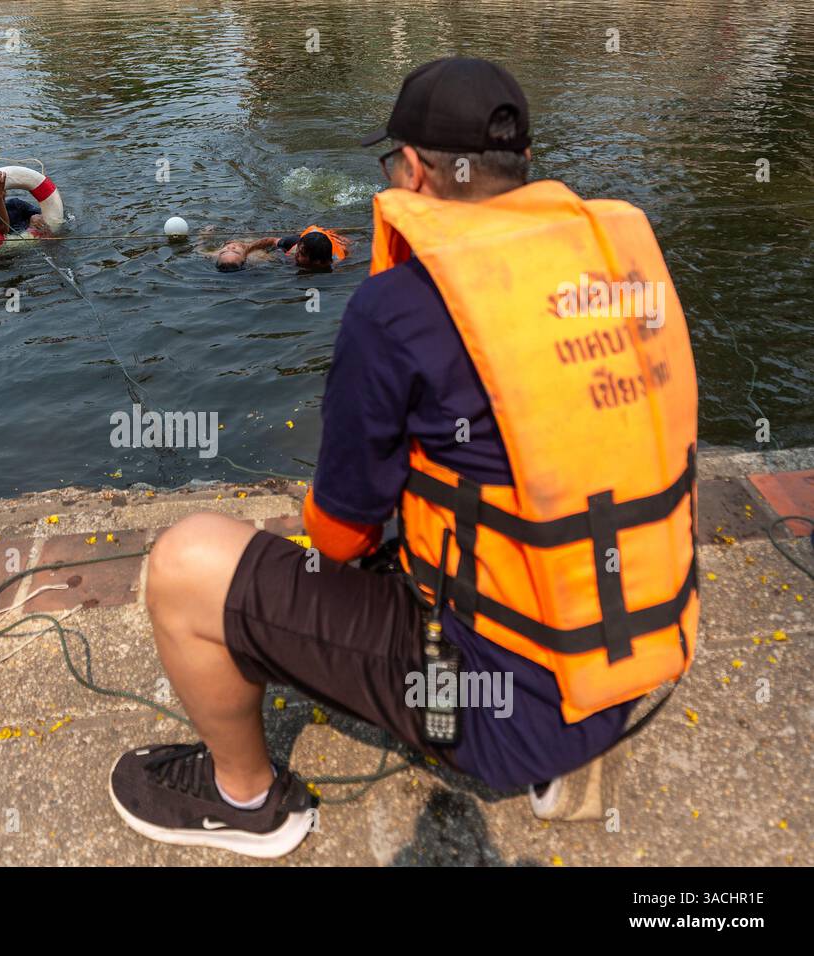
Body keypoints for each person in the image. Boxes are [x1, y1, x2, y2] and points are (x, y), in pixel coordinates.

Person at [108, 57, 699, 858]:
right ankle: (575, 753)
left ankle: (244, 802)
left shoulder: (396, 309)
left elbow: (344, 536)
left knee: (185, 565)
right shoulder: (620, 266)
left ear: (415, 172)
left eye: (392, 162)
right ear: (523, 164)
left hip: (498, 706)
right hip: (623, 666)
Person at [208, 226, 349, 272]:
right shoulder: (294, 245)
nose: (296, 255)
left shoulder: (338, 262)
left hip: (330, 240)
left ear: (318, 262)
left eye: (301, 254)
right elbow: (269, 240)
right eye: (298, 250)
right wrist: (246, 250)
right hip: (312, 235)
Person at [0, 170, 51, 241]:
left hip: (31, 238)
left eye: (1, 190)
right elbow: (2, 230)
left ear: (5, 192)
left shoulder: (15, 204)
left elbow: (45, 214)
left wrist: (35, 217)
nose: (0, 193)